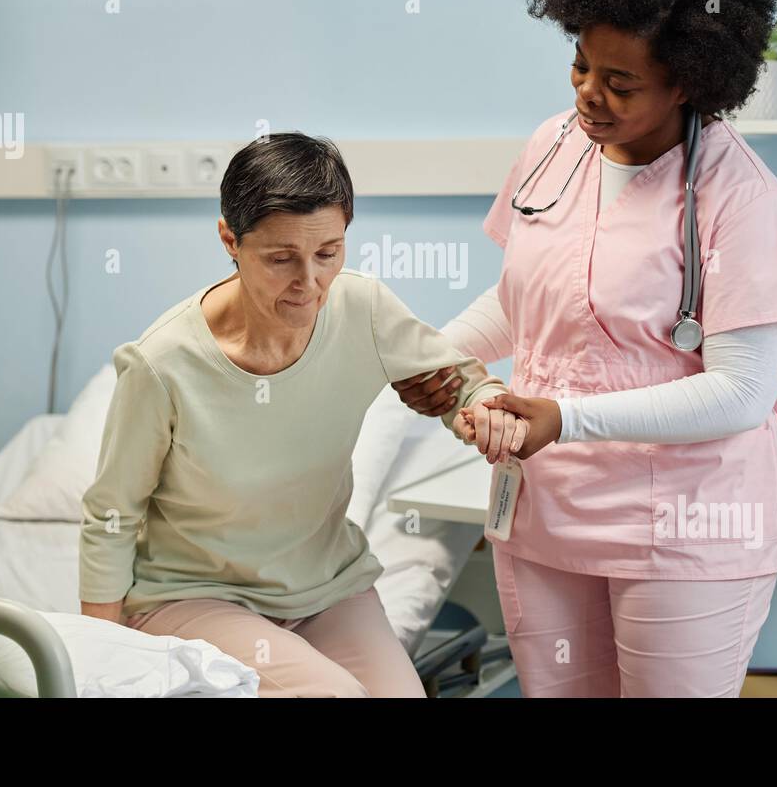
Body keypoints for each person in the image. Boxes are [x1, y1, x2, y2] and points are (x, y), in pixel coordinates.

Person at [393, 0, 777, 697]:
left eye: (620, 82)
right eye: (581, 65)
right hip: (548, 506)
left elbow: (743, 392)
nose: (589, 94)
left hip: (683, 527)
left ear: (690, 83)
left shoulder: (742, 201)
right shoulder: (553, 146)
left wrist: (568, 419)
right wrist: (432, 354)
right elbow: (528, 299)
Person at [79, 132, 527, 697]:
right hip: (193, 595)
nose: (310, 283)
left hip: (327, 585)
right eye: (281, 259)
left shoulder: (362, 309)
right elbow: (111, 512)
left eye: (328, 253)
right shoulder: (162, 364)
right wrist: (100, 649)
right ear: (229, 240)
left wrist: (480, 411)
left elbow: (461, 381)